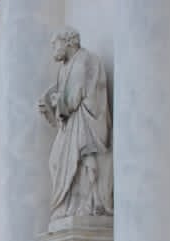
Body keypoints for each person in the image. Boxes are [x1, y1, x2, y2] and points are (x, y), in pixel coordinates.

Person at [38, 28, 113, 223]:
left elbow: (74, 97)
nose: (53, 49)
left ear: (68, 42)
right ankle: (72, 204)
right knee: (55, 161)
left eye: (55, 44)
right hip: (72, 123)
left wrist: (56, 101)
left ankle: (91, 202)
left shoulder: (83, 60)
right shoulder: (66, 66)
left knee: (83, 159)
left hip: (85, 122)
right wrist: (49, 103)